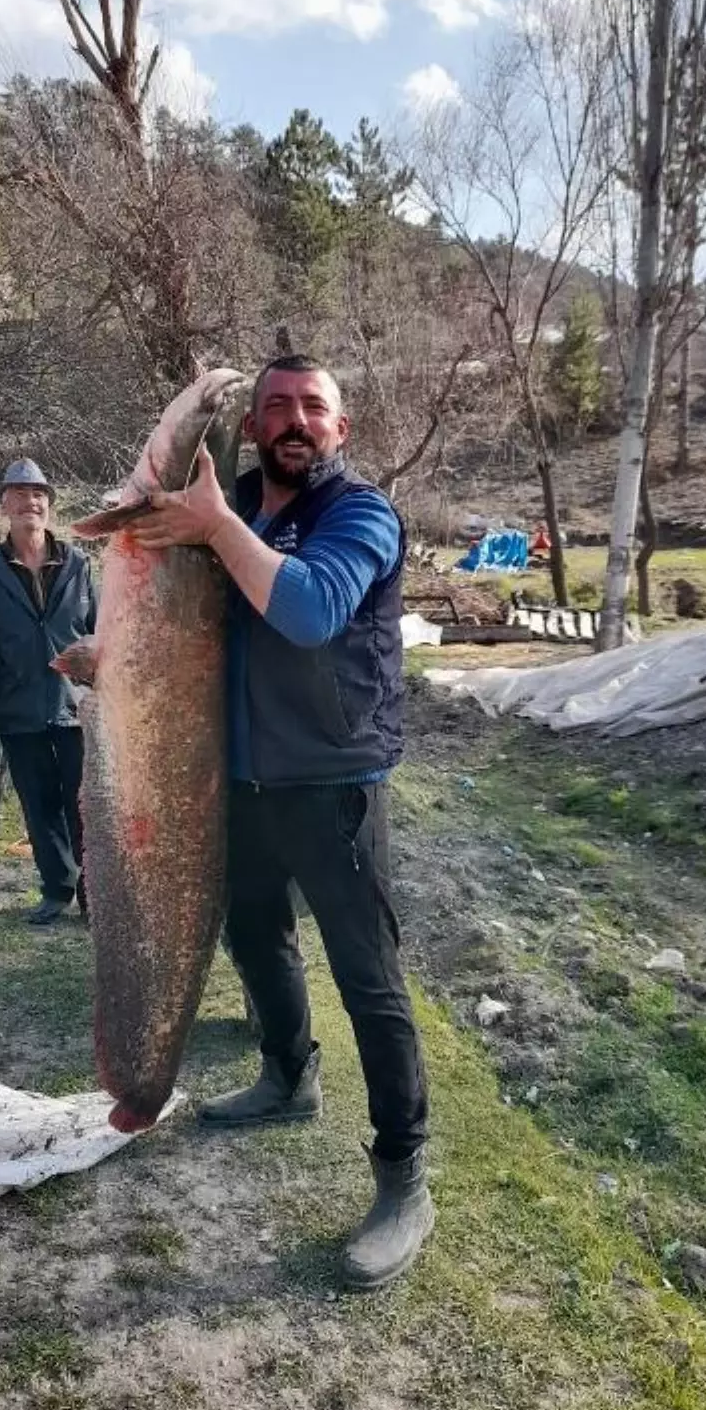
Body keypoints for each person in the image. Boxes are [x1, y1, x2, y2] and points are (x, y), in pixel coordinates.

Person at [127, 355, 433, 1292]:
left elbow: (305, 610)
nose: (295, 420)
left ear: (340, 428)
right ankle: (288, 1075)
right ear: (254, 428)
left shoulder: (360, 516)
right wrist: (114, 656)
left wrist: (219, 527)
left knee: (368, 980)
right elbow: (204, 638)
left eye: (314, 407)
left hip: (337, 782)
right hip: (246, 781)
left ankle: (403, 1180)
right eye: (276, 408)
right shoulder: (231, 512)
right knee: (258, 939)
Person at [0, 457, 98, 925]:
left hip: (76, 706)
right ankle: (57, 889)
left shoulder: (78, 564)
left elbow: (100, 634)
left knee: (86, 803)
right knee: (39, 804)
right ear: (4, 507)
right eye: (19, 495)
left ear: (49, 506)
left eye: (38, 495)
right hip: (18, 706)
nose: (30, 502)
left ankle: (93, 893)